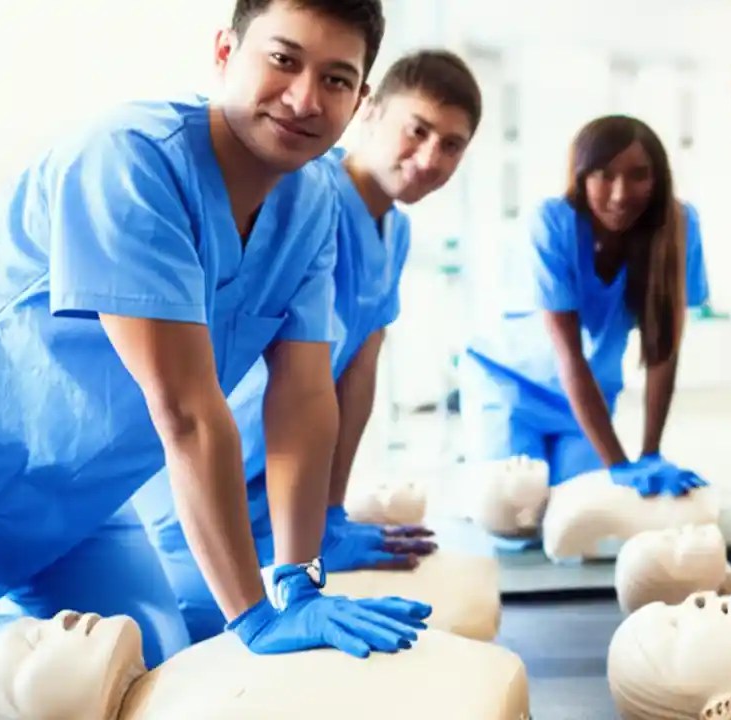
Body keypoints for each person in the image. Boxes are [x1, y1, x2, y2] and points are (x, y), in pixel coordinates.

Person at [0, 0, 429, 668]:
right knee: (49, 685)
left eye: (335, 79)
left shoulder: (313, 202)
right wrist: (252, 615)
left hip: (84, 510)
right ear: (225, 52)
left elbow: (305, 397)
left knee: (147, 665)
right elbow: (188, 410)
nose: (304, 99)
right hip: (11, 463)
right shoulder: (131, 160)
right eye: (283, 60)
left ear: (359, 99)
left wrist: (297, 579)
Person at [130, 49, 483, 642]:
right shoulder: (308, 196)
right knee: (198, 646)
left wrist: (329, 515)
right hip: (205, 472)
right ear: (370, 109)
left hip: (283, 490)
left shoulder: (395, 232)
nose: (429, 158)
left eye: (451, 145)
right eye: (417, 130)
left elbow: (356, 373)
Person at [461, 115, 711, 501]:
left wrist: (650, 453)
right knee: (514, 510)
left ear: (658, 179)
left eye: (638, 175)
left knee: (585, 510)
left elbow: (663, 350)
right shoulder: (551, 223)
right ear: (580, 176)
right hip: (510, 387)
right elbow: (569, 355)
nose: (620, 194)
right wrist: (619, 465)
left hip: (586, 400)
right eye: (603, 175)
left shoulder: (679, 225)